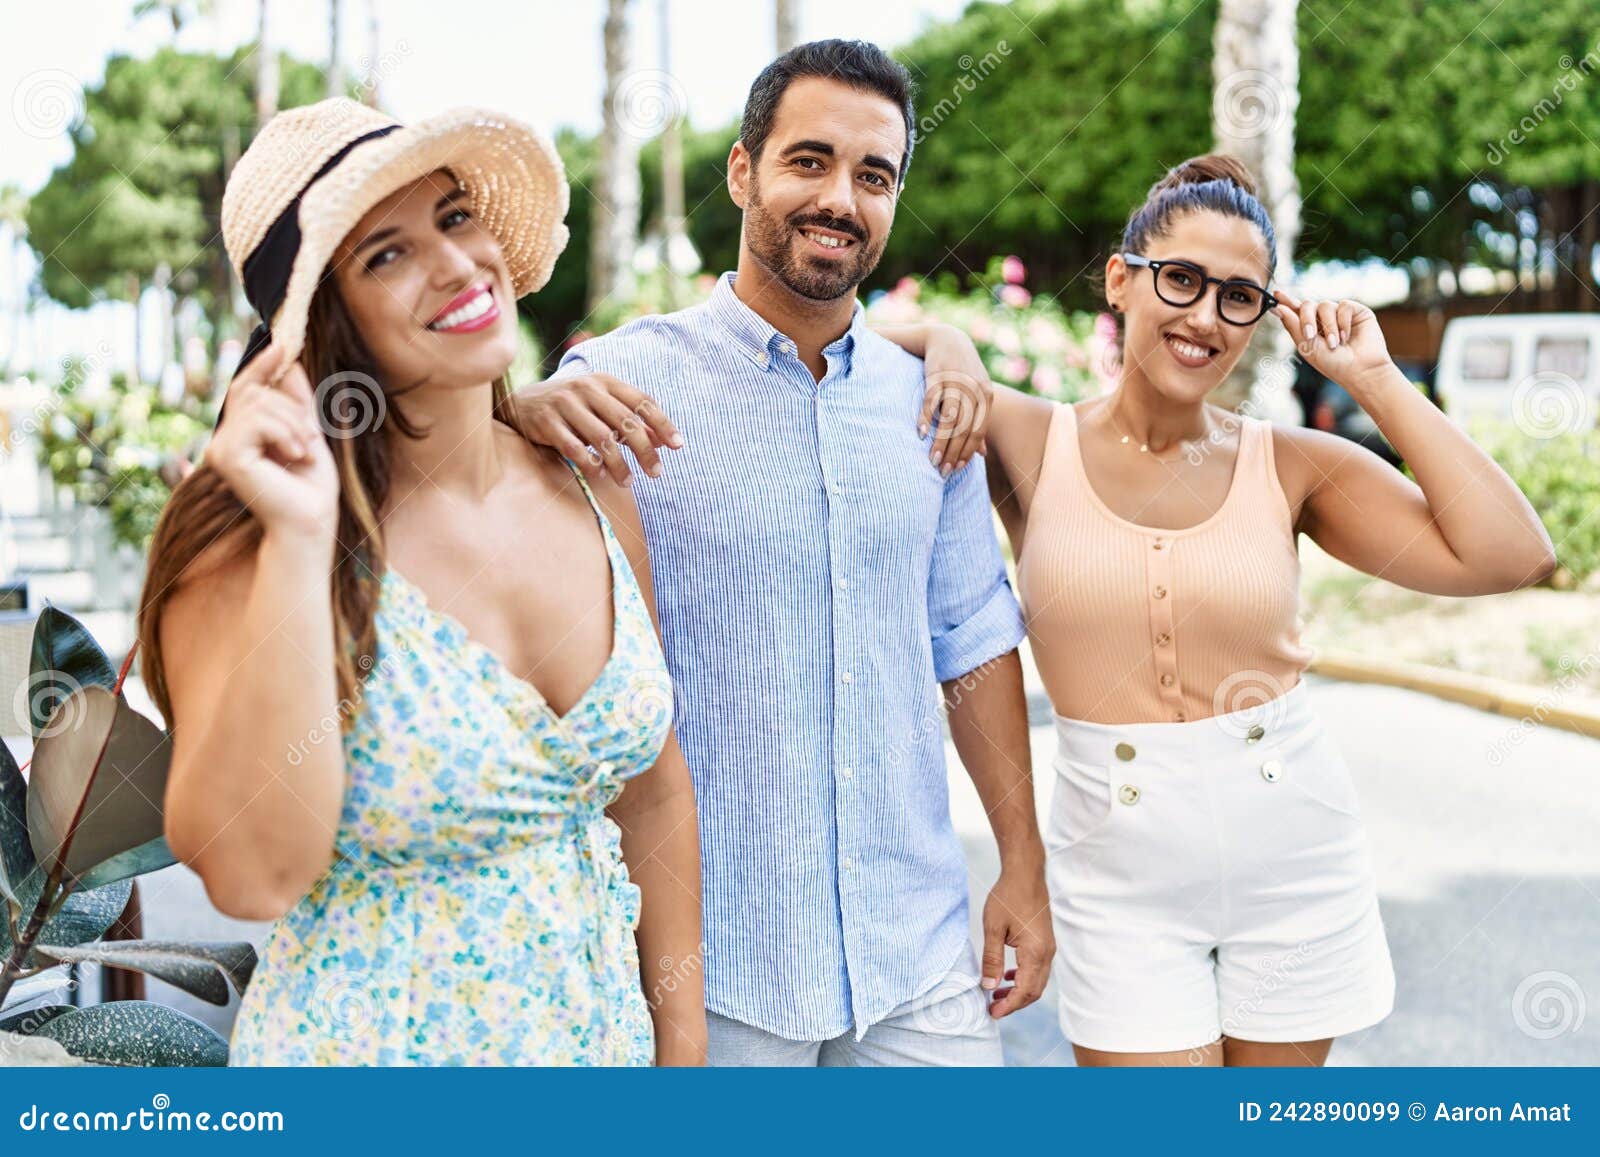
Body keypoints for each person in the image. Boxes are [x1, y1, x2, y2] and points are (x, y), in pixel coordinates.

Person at [514, 40, 1054, 1066]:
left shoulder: (927, 403)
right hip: (713, 969)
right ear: (742, 171)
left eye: (873, 175)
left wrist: (1021, 866)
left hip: (917, 959)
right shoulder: (618, 384)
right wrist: (514, 409)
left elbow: (971, 639)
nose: (839, 198)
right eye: (808, 161)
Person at [137, 98, 706, 1066]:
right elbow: (250, 874)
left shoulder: (587, 480)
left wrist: (682, 1050)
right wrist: (300, 538)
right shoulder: (243, 551)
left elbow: (651, 796)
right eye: (384, 255)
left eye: (452, 217)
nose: (453, 264)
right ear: (326, 319)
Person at [971, 154, 1557, 1066]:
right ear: (1121, 280)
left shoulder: (1289, 465)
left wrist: (1374, 378)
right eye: (1181, 280)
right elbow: (877, 344)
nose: (1205, 316)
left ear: (1263, 315)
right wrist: (950, 341)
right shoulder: (1027, 438)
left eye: (1238, 295)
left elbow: (1512, 553)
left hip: (1292, 860)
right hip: (1116, 871)